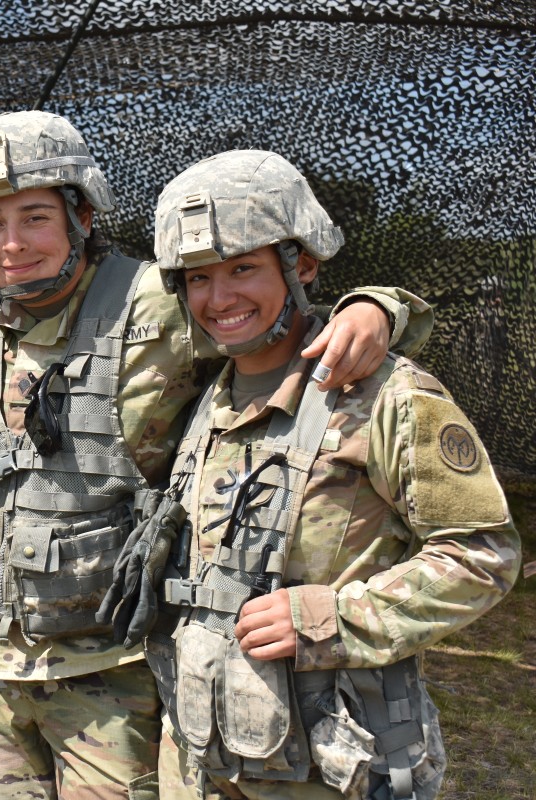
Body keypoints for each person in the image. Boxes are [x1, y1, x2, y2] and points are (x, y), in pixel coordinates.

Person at [0, 111, 435, 799]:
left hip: (107, 676)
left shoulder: (157, 302)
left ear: (81, 215)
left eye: (35, 217)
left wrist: (378, 308)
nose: (13, 244)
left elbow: (266, 318)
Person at [147, 149, 520, 799]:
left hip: (334, 764)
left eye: (243, 268)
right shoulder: (204, 396)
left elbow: (483, 554)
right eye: (198, 277)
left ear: (304, 265)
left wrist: (331, 618)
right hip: (202, 756)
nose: (220, 296)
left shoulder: (388, 394)